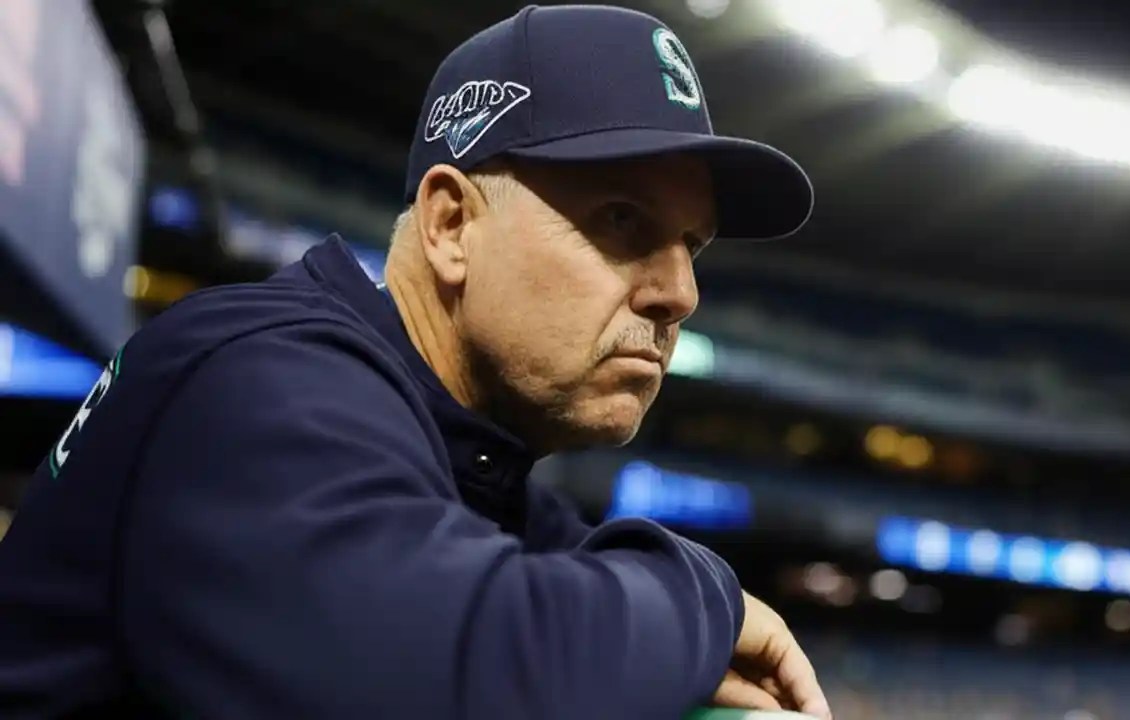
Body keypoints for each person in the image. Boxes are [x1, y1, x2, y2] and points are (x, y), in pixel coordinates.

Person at [0, 5, 827, 719]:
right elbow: (457, 679)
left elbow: (563, 592)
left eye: (691, 246)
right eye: (622, 221)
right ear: (450, 226)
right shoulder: (257, 377)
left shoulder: (465, 452)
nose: (679, 292)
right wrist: (705, 597)